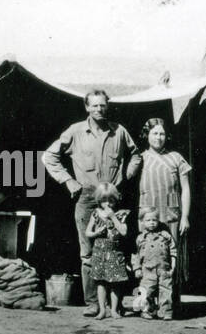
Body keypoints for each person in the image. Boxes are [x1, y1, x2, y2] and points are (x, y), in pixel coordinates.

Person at [42, 90, 142, 316]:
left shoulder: (119, 132)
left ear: (108, 107)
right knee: (88, 254)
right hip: (87, 197)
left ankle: (115, 306)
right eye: (94, 106)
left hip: (113, 198)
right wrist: (68, 181)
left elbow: (136, 155)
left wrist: (127, 175)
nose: (99, 110)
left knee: (116, 249)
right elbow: (49, 156)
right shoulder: (76, 131)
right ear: (87, 107)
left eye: (103, 106)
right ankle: (93, 304)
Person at [138, 117, 192, 309]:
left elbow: (185, 189)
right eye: (154, 133)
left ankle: (170, 304)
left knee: (170, 257)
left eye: (162, 133)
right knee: (148, 257)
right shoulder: (140, 158)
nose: (158, 138)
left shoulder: (176, 157)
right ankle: (148, 304)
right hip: (147, 215)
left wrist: (185, 216)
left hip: (171, 215)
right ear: (147, 135)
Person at [84, 184, 129, 320]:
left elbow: (123, 231)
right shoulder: (96, 213)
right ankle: (102, 310)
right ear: (98, 200)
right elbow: (87, 232)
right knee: (101, 283)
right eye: (104, 200)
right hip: (99, 251)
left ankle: (114, 310)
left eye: (111, 200)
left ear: (116, 200)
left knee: (115, 283)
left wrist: (113, 217)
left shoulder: (121, 214)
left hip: (114, 252)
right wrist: (96, 232)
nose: (107, 203)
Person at [132, 208, 175, 319]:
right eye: (148, 220)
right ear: (142, 222)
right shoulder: (140, 238)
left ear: (158, 221)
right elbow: (135, 254)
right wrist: (136, 268)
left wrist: (173, 266)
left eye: (154, 220)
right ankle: (145, 311)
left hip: (164, 269)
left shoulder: (165, 236)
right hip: (147, 270)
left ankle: (166, 312)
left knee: (166, 291)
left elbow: (173, 251)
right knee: (145, 291)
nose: (151, 222)